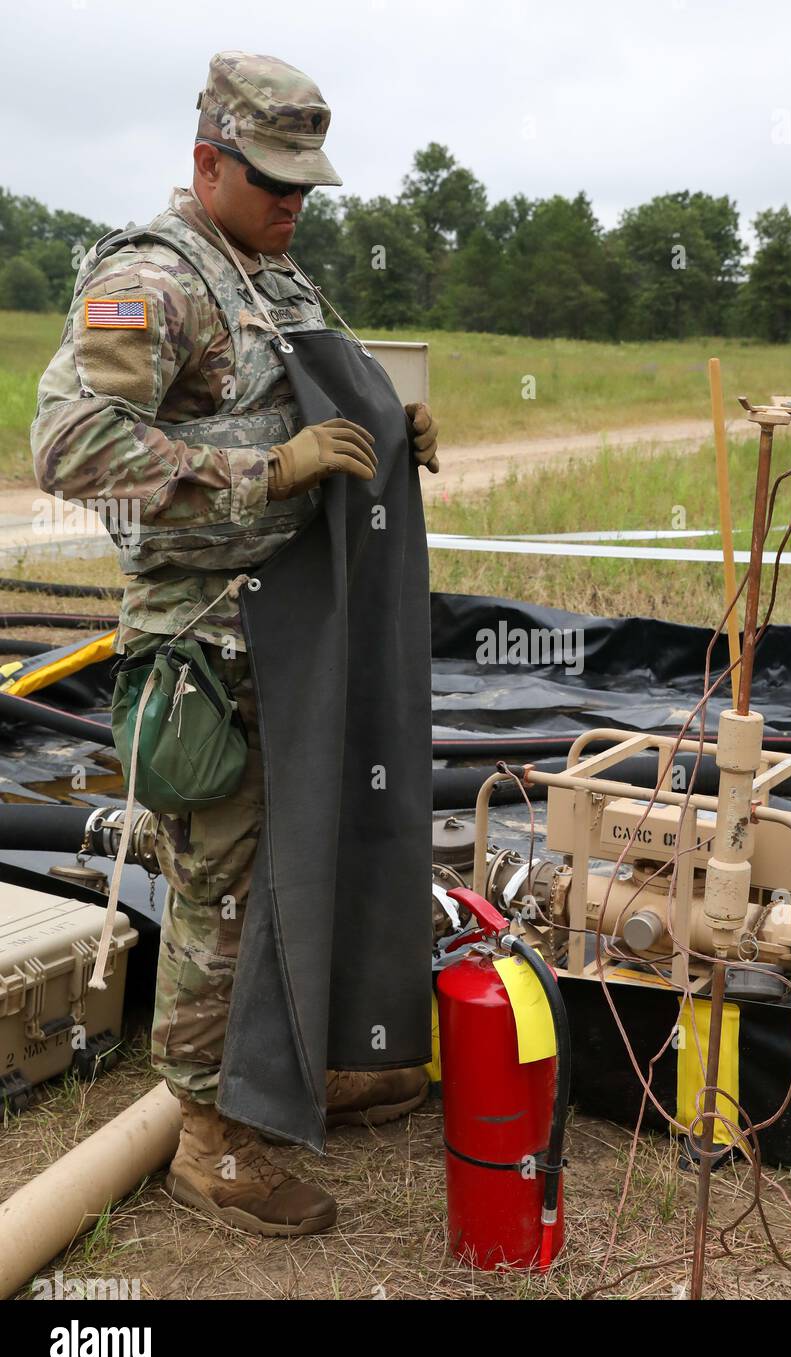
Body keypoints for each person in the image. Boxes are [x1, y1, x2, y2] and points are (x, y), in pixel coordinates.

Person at [31, 51, 439, 1238]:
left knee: (316, 861)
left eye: (307, 183)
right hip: (206, 647)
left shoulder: (277, 275)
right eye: (271, 179)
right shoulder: (153, 282)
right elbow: (70, 445)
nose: (293, 202)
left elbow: (315, 393)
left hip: (301, 637)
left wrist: (385, 425)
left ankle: (300, 1067)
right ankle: (211, 1143)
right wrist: (263, 471)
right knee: (224, 892)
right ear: (206, 160)